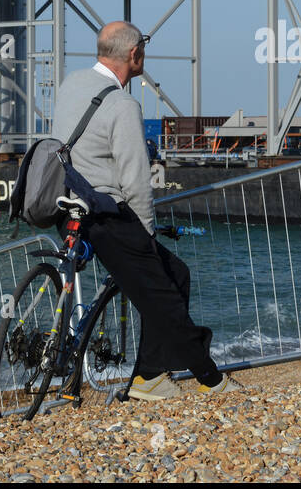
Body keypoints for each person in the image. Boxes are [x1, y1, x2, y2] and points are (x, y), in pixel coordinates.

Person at [50, 20, 237, 400]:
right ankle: (210, 376)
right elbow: (136, 180)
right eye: (143, 49)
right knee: (162, 293)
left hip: (66, 207)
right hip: (105, 214)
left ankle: (149, 375)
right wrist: (147, 235)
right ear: (134, 55)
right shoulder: (123, 104)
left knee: (175, 273)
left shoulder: (71, 84)